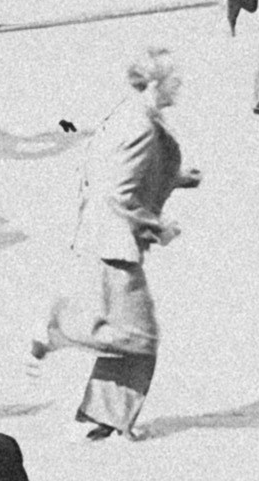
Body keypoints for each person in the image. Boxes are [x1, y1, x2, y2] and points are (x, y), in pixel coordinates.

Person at [47, 47, 195, 436]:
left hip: (103, 239)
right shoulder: (140, 127)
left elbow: (114, 174)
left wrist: (175, 178)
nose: (179, 87)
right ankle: (101, 419)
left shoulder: (129, 114)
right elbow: (117, 193)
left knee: (131, 334)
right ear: (155, 83)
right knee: (139, 337)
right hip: (113, 243)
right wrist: (158, 227)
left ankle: (103, 418)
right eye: (174, 80)